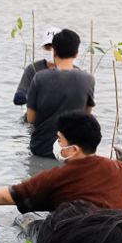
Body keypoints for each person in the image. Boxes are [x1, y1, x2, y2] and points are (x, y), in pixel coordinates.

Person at [0, 113, 122, 213]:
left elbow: (11, 196)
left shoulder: (56, 177)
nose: (57, 144)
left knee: (25, 224)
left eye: (60, 140)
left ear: (74, 149)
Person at [23, 27, 95, 157]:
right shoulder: (88, 79)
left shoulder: (39, 78)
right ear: (76, 53)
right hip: (71, 151)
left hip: (41, 148)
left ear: (54, 52)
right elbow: (87, 115)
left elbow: (30, 118)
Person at [12, 29, 54, 105]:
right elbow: (18, 97)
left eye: (55, 47)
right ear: (43, 48)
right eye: (48, 47)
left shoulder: (73, 72)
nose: (51, 51)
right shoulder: (33, 69)